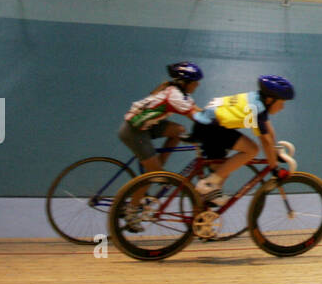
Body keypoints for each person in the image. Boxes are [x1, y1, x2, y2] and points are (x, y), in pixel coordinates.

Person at [118, 62, 203, 230]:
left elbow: (199, 111)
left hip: (145, 125)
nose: (197, 85)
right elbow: (199, 119)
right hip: (134, 131)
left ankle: (158, 171)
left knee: (178, 131)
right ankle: (131, 211)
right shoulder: (175, 97)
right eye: (195, 82)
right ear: (184, 82)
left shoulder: (178, 92)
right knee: (152, 174)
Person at [191, 75, 294, 206]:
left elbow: (269, 131)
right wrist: (274, 168)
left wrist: (276, 151)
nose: (282, 107)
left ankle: (200, 218)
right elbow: (265, 141)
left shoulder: (258, 100)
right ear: (270, 100)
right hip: (210, 128)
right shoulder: (256, 109)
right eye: (282, 102)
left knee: (221, 173)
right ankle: (207, 184)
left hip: (208, 125)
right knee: (251, 149)